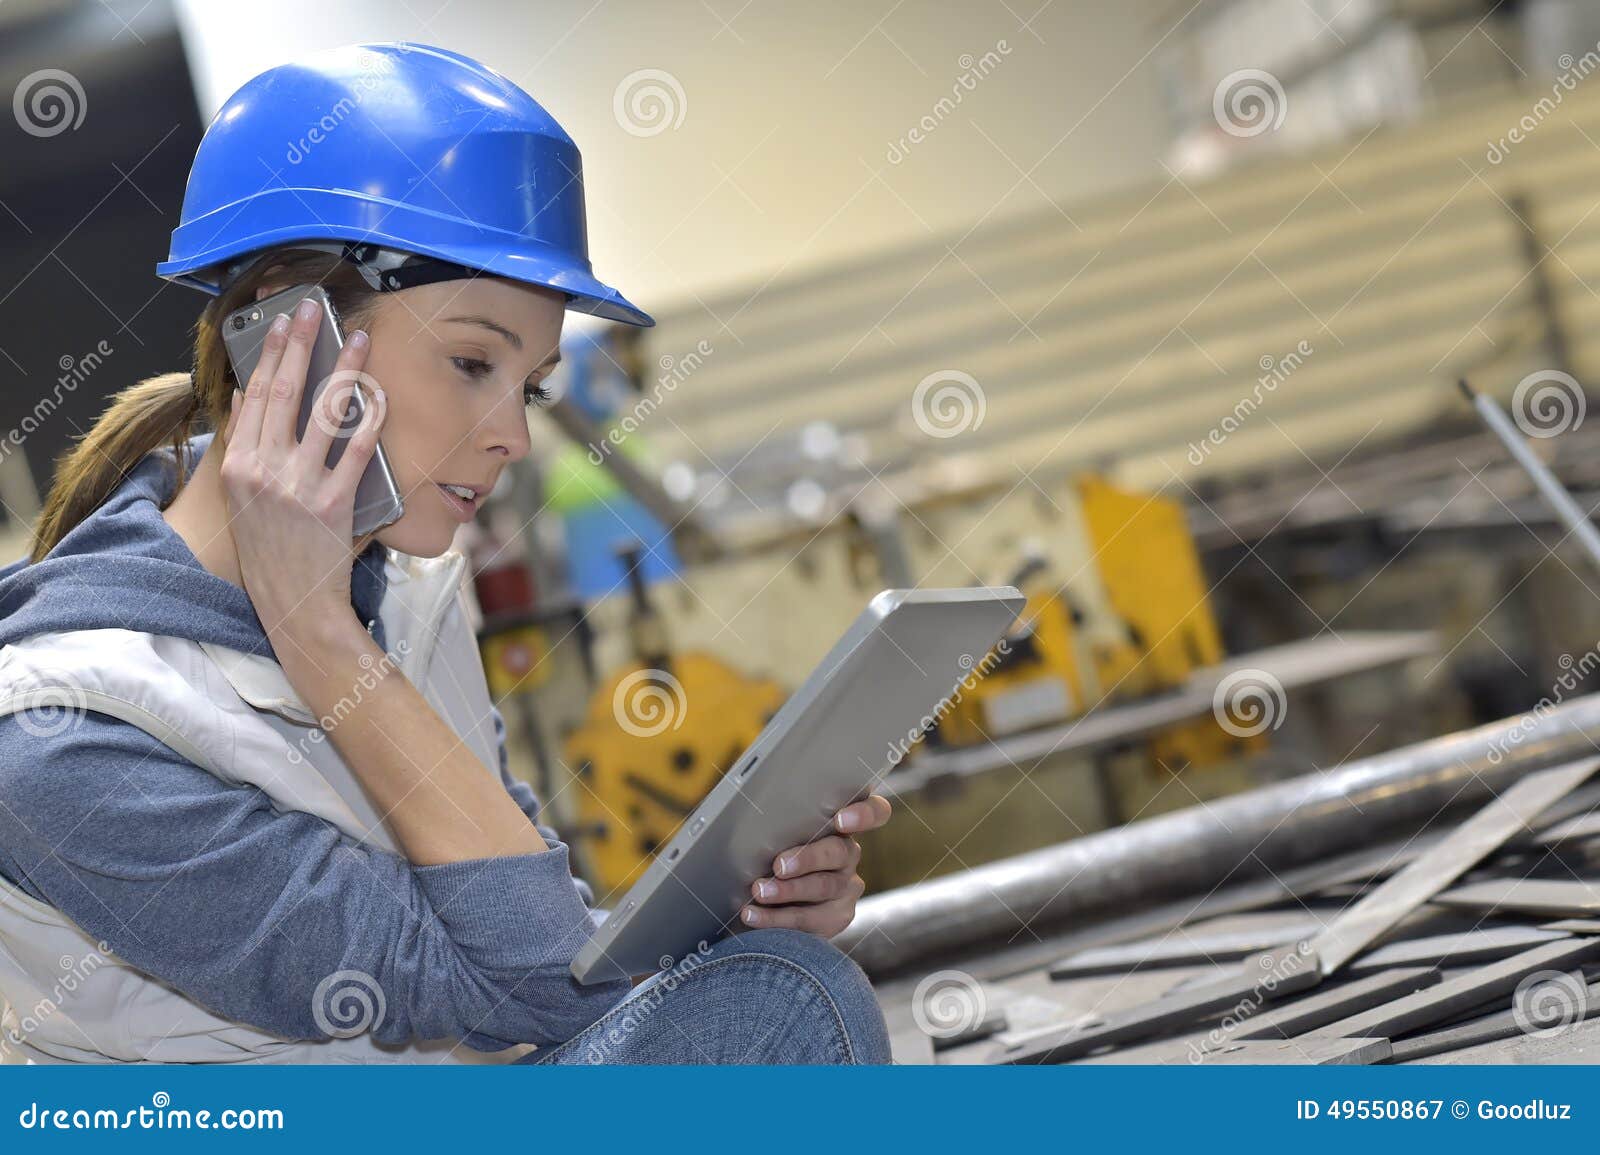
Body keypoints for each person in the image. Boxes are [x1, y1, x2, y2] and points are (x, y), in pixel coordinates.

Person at [0, 41, 892, 1066]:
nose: (514, 435)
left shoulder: (411, 597)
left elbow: (540, 953)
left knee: (771, 980)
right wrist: (317, 633)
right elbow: (531, 985)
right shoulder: (62, 735)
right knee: (785, 1003)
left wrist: (729, 924)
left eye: (532, 385)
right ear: (286, 335)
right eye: (472, 362)